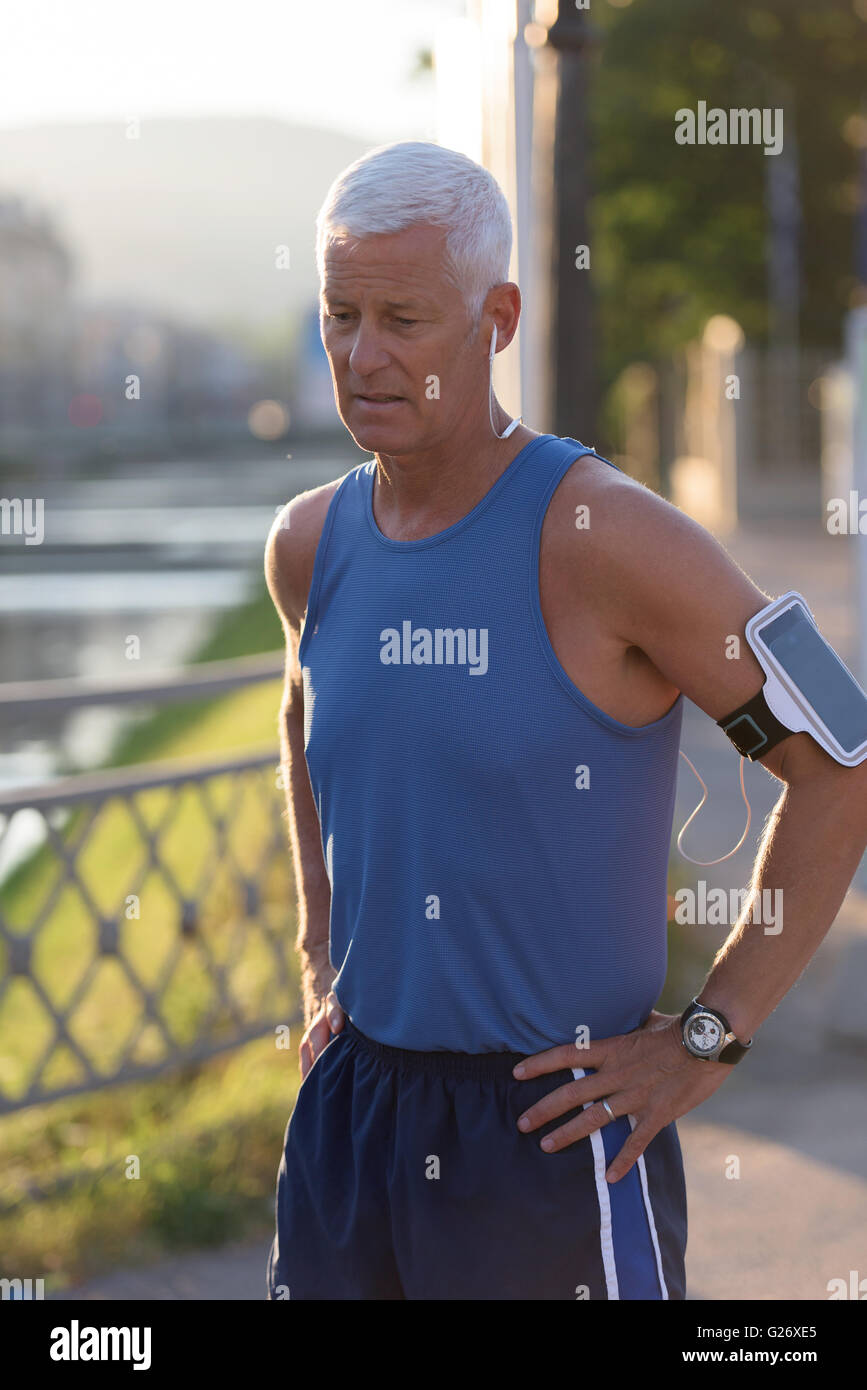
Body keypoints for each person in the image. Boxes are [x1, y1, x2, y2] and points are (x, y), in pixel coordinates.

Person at [264, 141, 867, 1300]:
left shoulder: (611, 539)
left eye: (403, 317)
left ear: (498, 319)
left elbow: (840, 765)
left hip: (549, 1134)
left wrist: (707, 1036)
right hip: (352, 1116)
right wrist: (317, 957)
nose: (363, 355)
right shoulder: (308, 544)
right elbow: (305, 721)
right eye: (341, 316)